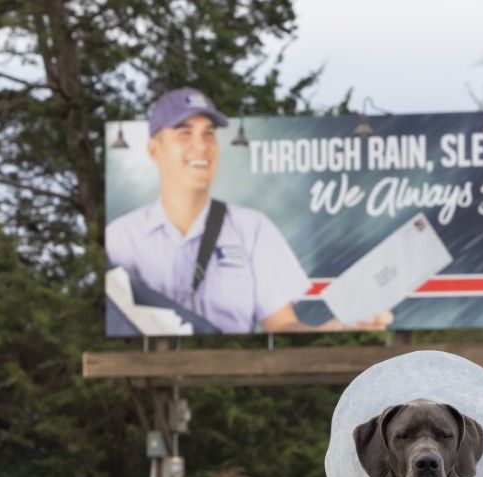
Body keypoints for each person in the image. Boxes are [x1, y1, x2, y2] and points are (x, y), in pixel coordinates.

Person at [106, 87, 390, 334]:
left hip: (237, 372)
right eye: (184, 133)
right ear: (154, 150)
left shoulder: (252, 228)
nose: (201, 146)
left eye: (209, 134)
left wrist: (333, 330)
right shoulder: (120, 237)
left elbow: (282, 326)